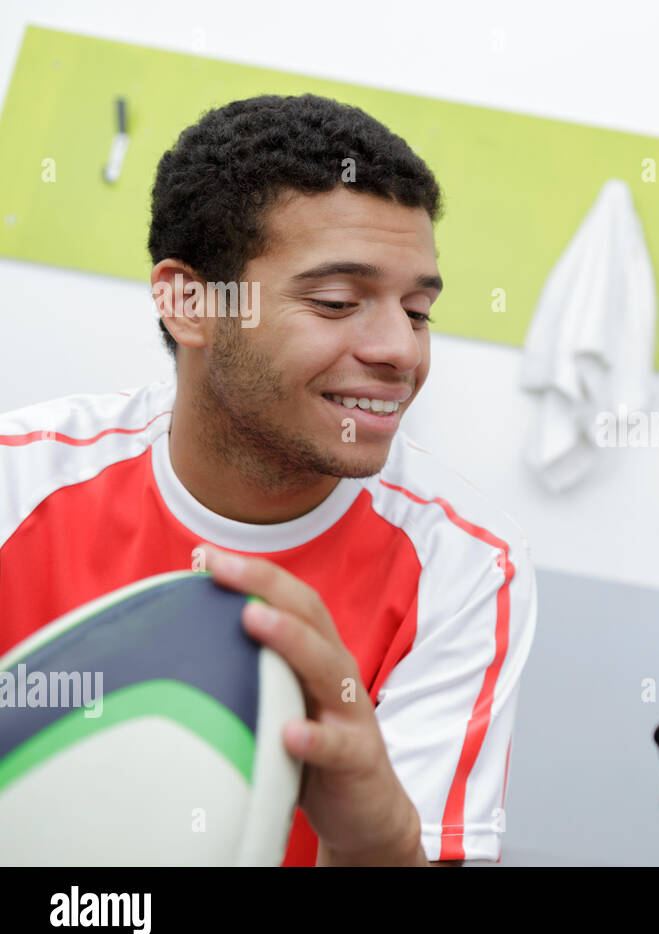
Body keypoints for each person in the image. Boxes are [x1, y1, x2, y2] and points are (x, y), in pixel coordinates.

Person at [0, 94, 536, 866]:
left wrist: (376, 836)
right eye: (337, 302)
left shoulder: (464, 567)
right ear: (189, 302)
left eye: (418, 311)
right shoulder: (21, 483)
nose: (400, 351)